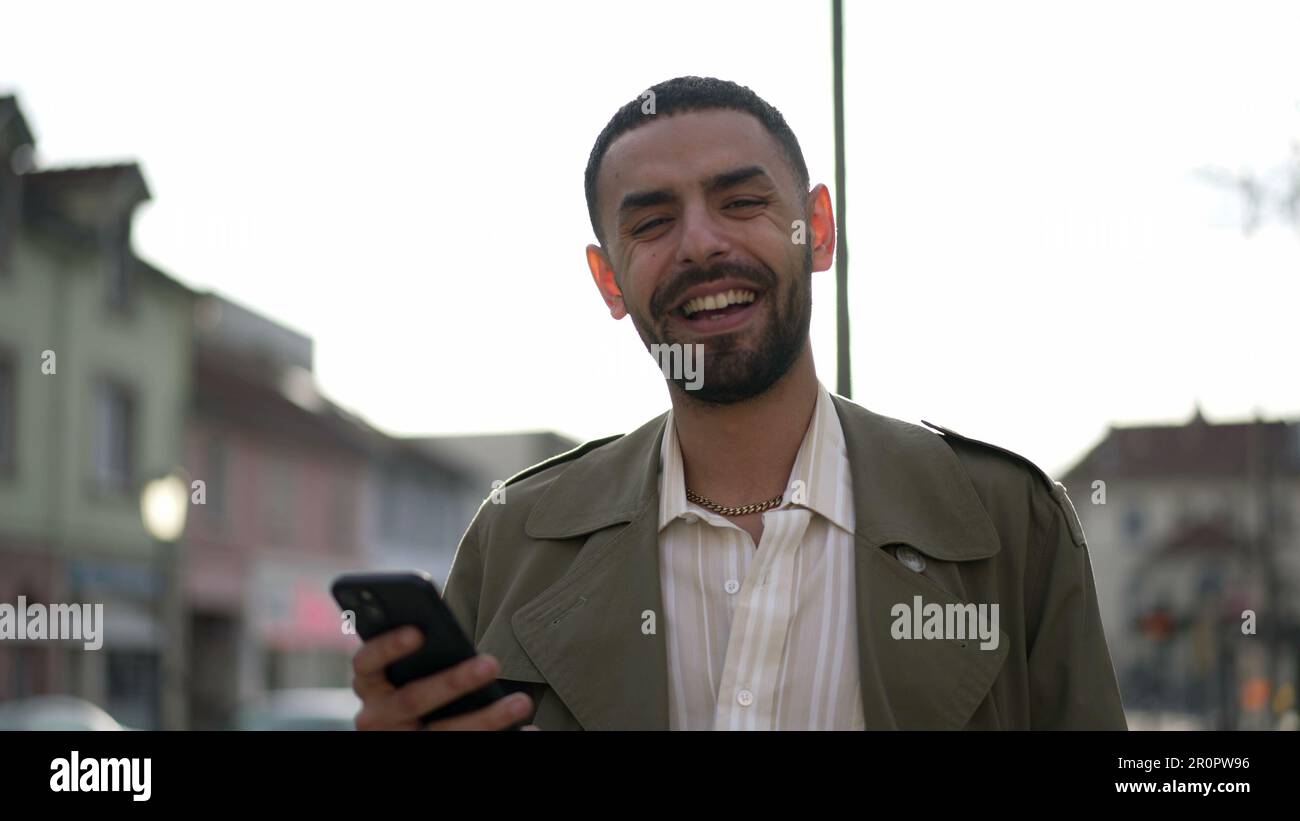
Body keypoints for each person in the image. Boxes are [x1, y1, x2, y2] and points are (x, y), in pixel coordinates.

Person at [349, 76, 1127, 731]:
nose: (699, 244)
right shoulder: (513, 539)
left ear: (817, 230)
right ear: (609, 281)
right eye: (652, 222)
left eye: (742, 203)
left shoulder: (1010, 522)